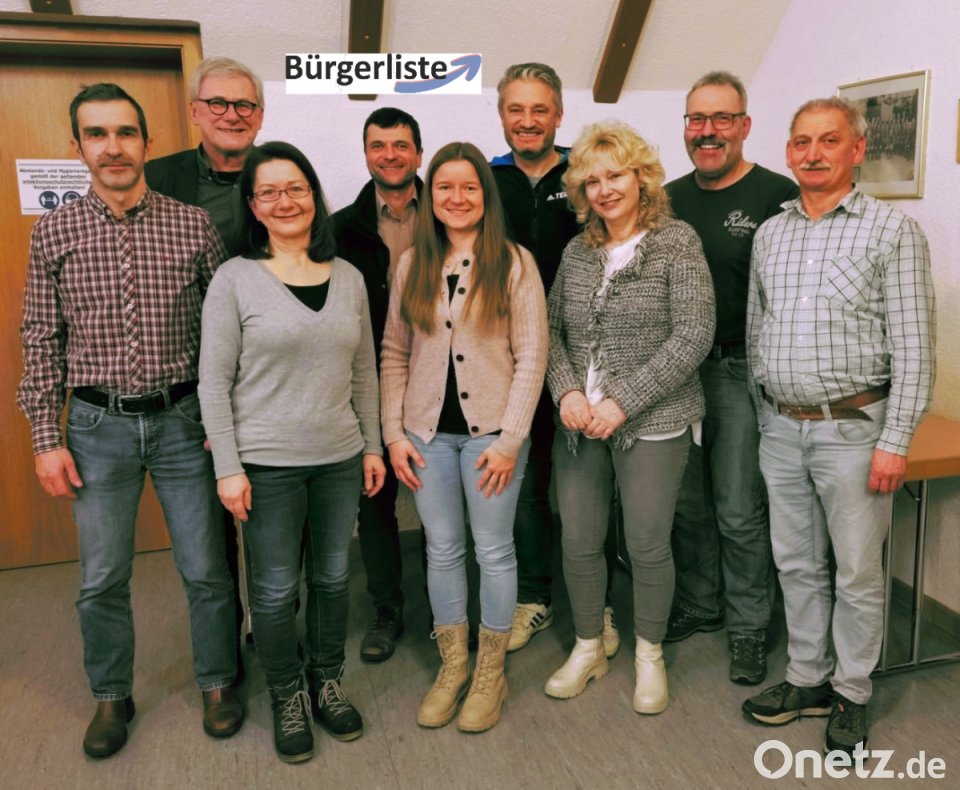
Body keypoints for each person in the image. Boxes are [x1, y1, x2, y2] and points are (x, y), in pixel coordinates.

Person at [17, 83, 241, 758]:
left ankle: (219, 680)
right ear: (77, 146)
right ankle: (112, 694)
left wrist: (222, 420)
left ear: (146, 143)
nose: (112, 147)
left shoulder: (191, 224)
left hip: (181, 423)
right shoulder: (53, 230)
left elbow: (223, 333)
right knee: (101, 578)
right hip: (96, 430)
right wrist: (45, 438)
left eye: (124, 133)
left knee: (205, 568)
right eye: (96, 134)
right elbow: (39, 337)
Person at [742, 98, 935, 756]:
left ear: (857, 150)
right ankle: (806, 677)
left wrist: (895, 440)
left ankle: (853, 689)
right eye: (801, 142)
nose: (812, 154)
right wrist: (762, 410)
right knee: (795, 563)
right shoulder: (773, 232)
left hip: (854, 430)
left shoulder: (891, 231)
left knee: (855, 571)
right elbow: (755, 330)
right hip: (780, 426)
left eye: (828, 141)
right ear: (789, 151)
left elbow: (915, 350)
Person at [198, 141, 385, 763]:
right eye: (269, 191)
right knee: (276, 591)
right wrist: (228, 466)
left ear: (314, 196)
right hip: (266, 465)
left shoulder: (350, 278)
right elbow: (213, 380)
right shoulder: (235, 279)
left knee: (332, 580)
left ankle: (325, 681)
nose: (285, 201)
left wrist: (371, 447)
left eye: (295, 188)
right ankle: (286, 693)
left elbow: (364, 372)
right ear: (253, 206)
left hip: (337, 457)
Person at [544, 120, 715, 714]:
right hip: (579, 425)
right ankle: (590, 645)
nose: (604, 189)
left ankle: (649, 654)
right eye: (591, 181)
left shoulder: (677, 242)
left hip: (653, 420)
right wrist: (567, 392)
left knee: (646, 544)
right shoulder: (576, 250)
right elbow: (551, 331)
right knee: (580, 540)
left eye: (615, 174)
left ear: (641, 176)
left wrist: (622, 401)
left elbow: (694, 334)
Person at [380, 142, 548, 733]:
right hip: (426, 437)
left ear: (486, 195)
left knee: (493, 549)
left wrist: (511, 441)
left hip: (492, 438)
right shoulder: (412, 265)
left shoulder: (514, 262)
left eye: (469, 187)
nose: (457, 198)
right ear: (433, 197)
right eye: (445, 187)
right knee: (441, 548)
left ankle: (490, 672)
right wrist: (393, 434)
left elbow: (532, 358)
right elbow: (394, 353)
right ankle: (453, 666)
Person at [665, 71, 799, 685]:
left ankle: (748, 627)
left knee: (739, 508)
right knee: (686, 503)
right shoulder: (664, 198)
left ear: (745, 126)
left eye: (722, 119)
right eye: (698, 119)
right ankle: (701, 600)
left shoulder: (778, 195)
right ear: (686, 128)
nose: (708, 131)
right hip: (673, 373)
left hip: (737, 372)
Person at [491, 63, 619, 657]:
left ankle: (603, 605)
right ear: (502, 116)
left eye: (539, 109)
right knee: (525, 483)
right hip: (510, 357)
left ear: (559, 115)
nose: (527, 120)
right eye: (516, 109)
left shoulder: (588, 175)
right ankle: (534, 597)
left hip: (581, 355)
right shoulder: (487, 180)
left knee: (589, 485)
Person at [145, 56, 266, 673]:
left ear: (260, 115)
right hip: (190, 382)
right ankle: (226, 640)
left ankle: (272, 632)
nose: (230, 115)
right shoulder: (156, 178)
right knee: (212, 527)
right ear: (195, 111)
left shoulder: (280, 173)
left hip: (269, 384)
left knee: (271, 520)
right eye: (217, 103)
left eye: (243, 105)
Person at [329, 107, 424, 663]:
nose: (389, 154)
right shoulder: (339, 228)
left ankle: (446, 609)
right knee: (377, 501)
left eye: (401, 145)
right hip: (367, 379)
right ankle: (386, 610)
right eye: (378, 145)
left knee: (442, 504)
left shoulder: (446, 214)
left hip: (437, 378)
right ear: (366, 153)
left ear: (418, 152)